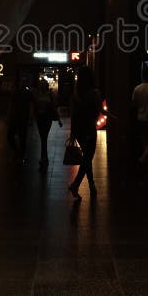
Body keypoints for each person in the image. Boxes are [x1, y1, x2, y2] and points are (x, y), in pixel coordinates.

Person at [68, 66, 102, 199]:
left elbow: (73, 113)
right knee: (88, 158)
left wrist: (72, 132)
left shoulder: (75, 94)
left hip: (79, 129)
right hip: (89, 128)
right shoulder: (95, 93)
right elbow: (99, 110)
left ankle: (91, 185)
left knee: (86, 158)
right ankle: (76, 184)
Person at [33, 78, 61, 170]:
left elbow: (53, 107)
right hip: (42, 118)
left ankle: (43, 157)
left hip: (45, 118)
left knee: (43, 137)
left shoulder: (46, 95)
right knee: (43, 137)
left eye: (42, 84)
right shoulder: (40, 94)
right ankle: (44, 157)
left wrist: (58, 119)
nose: (41, 85)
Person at [8, 75, 33, 164]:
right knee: (22, 137)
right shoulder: (26, 93)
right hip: (21, 117)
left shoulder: (17, 92)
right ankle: (20, 155)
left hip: (18, 117)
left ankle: (18, 154)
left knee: (13, 136)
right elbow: (30, 106)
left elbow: (12, 105)